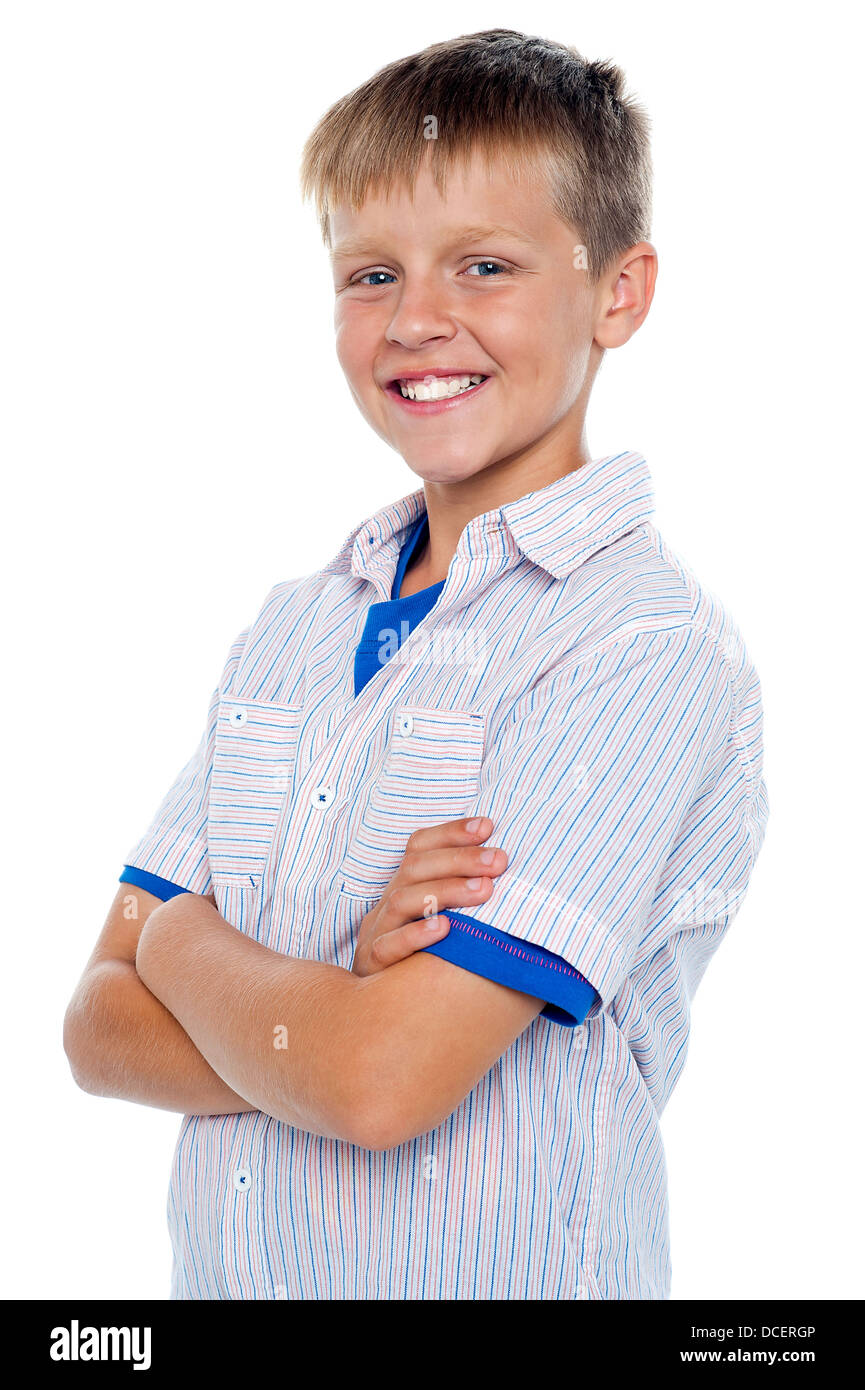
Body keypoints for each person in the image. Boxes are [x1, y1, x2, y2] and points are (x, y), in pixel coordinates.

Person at [63, 28, 769, 1300]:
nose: (418, 320)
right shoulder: (292, 628)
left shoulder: (641, 649)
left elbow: (377, 1084)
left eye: (484, 265)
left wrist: (179, 936)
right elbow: (93, 1026)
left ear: (617, 290)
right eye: (370, 273)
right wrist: (332, 988)